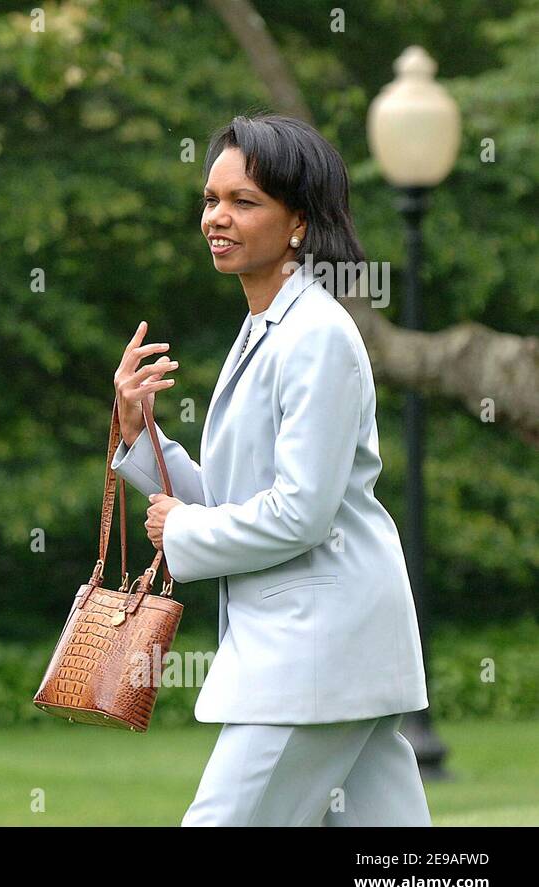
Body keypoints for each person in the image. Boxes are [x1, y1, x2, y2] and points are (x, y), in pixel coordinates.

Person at [109, 114, 431, 826]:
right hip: (329, 651)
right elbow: (236, 504)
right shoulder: (266, 326)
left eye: (243, 201)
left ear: (299, 224)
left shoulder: (314, 334)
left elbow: (300, 512)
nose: (216, 218)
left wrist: (185, 528)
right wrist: (142, 439)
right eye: (210, 199)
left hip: (314, 655)